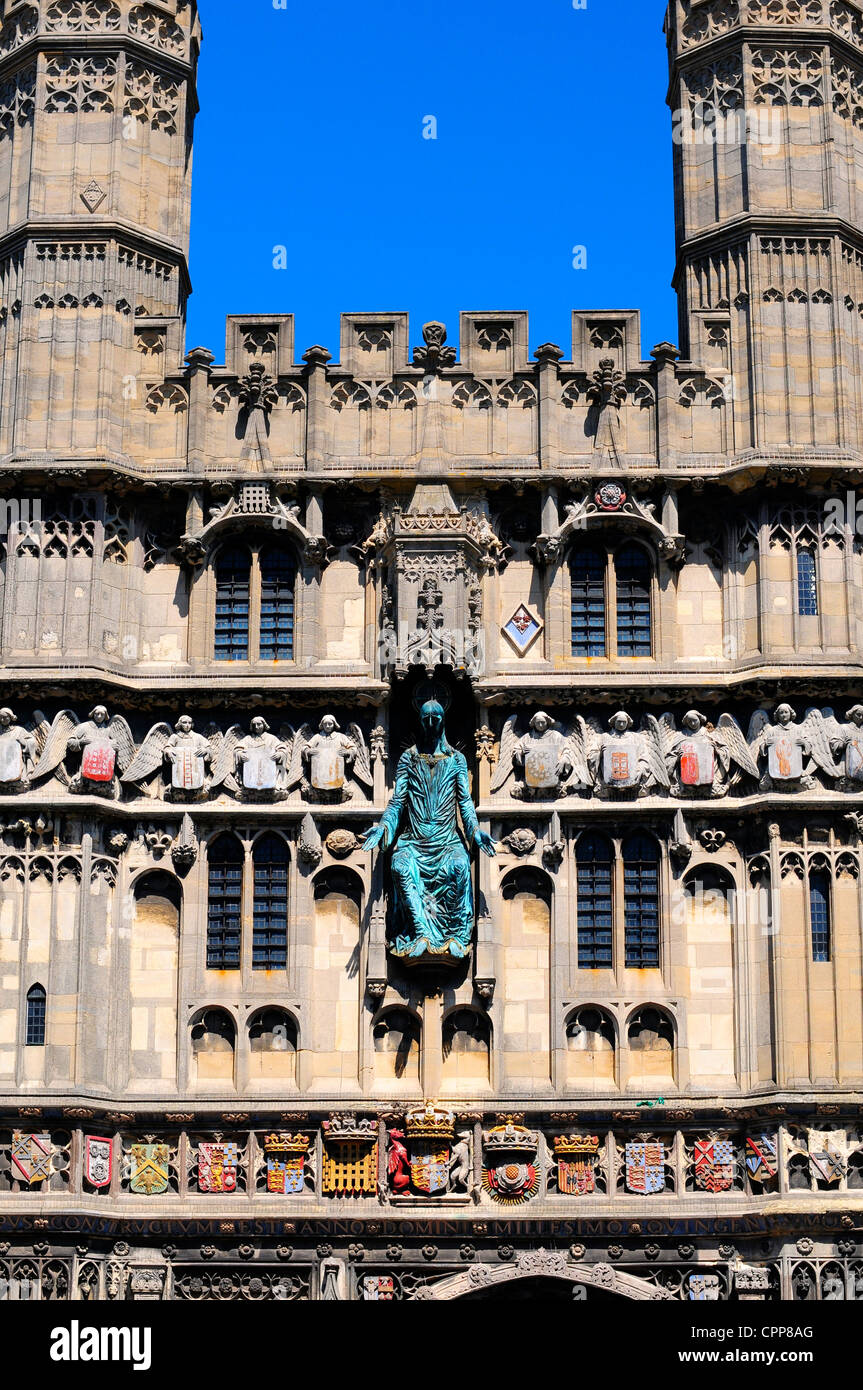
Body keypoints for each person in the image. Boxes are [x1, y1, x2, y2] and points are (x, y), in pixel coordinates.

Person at [363, 700, 496, 960]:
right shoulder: (408, 758)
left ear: (443, 720)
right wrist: (383, 828)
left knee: (459, 866)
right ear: (420, 721)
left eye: (436, 716)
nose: (432, 721)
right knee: (401, 867)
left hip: (447, 842)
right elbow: (397, 801)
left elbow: (465, 802)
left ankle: (455, 935)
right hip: (414, 841)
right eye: (427, 717)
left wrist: (475, 831)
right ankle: (421, 933)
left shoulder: (456, 759)